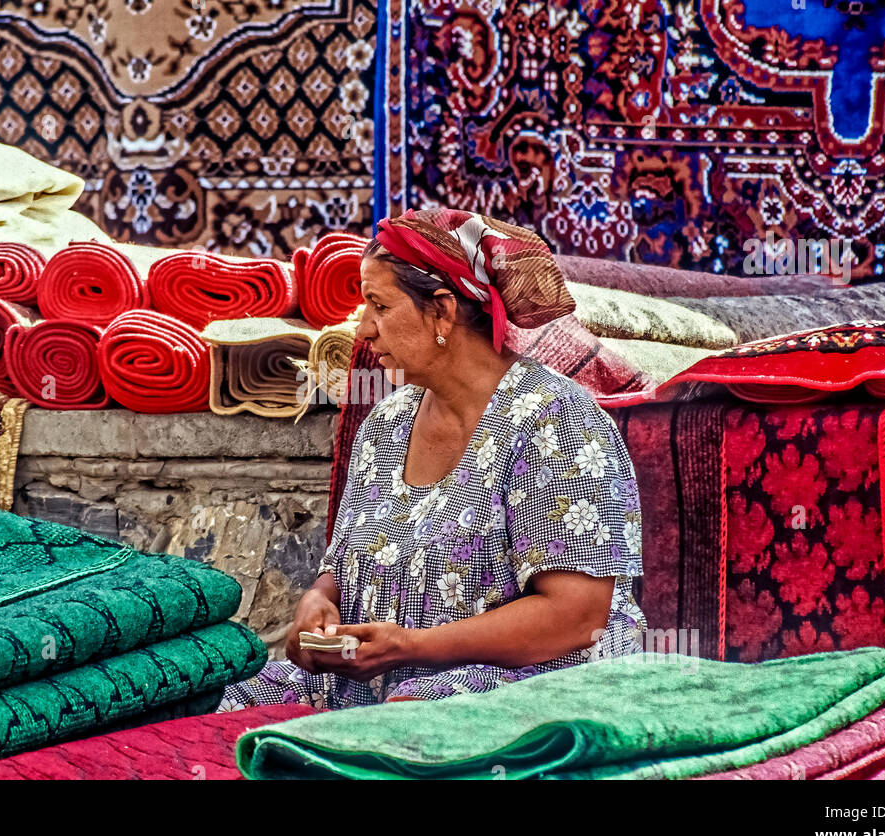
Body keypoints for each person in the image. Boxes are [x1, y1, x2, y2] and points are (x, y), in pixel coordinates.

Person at [218, 208, 646, 710]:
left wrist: (411, 647)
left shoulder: (555, 422)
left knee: (406, 726)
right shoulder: (386, 424)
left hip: (532, 674)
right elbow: (347, 562)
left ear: (442, 310)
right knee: (221, 705)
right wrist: (318, 602)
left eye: (378, 306)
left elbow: (576, 618)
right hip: (385, 673)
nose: (363, 331)